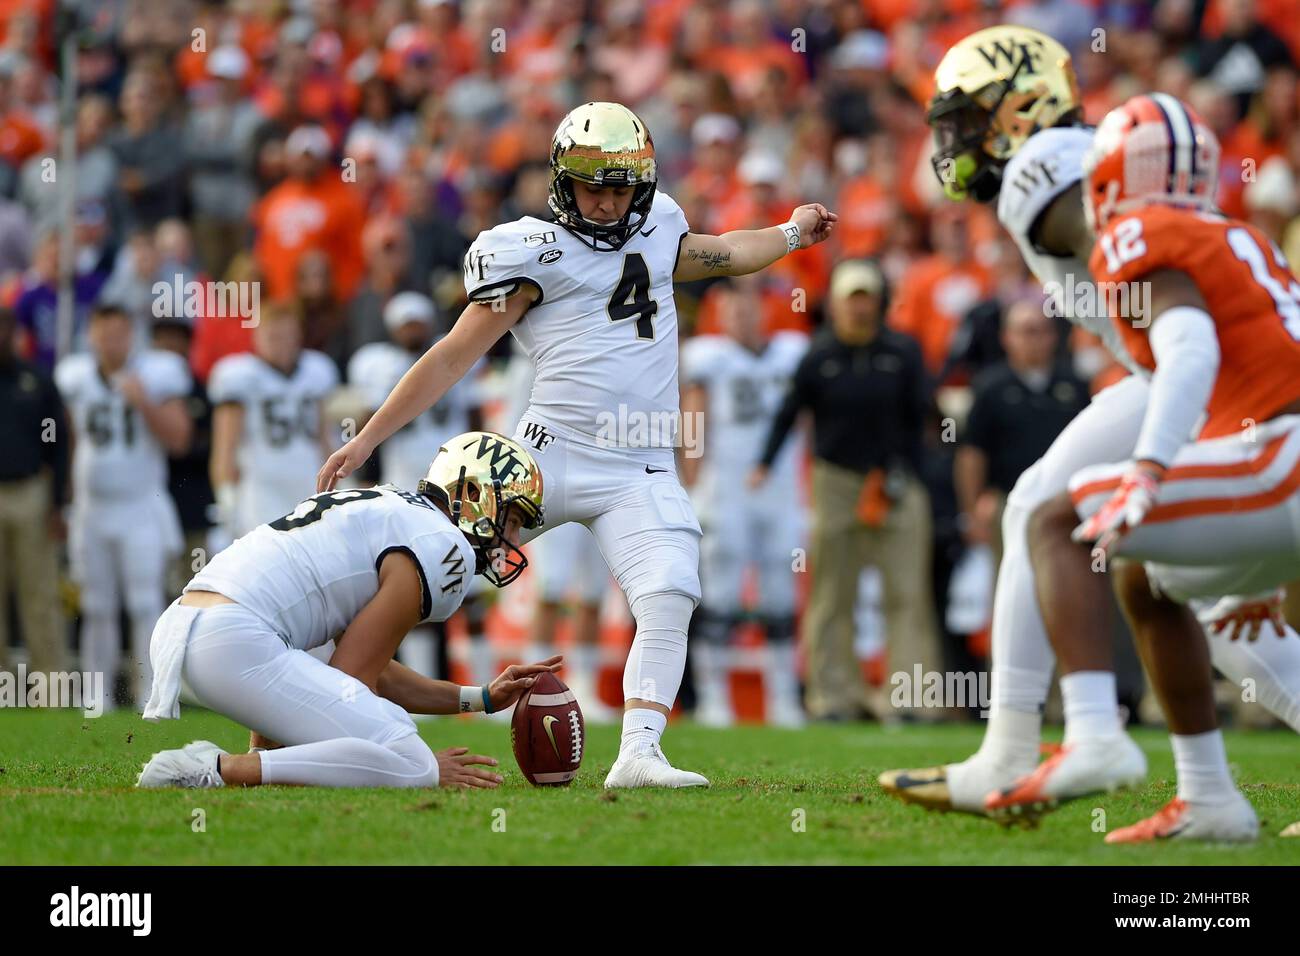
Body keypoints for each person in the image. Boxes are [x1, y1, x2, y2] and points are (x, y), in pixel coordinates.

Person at [317, 101, 836, 788]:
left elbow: (727, 253)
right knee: (428, 559)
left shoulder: (659, 230)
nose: (605, 200)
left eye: (620, 186)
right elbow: (452, 356)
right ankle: (331, 692)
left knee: (671, 586)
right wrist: (369, 439)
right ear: (563, 182)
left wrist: (792, 231)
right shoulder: (534, 253)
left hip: (640, 463)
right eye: (593, 185)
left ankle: (640, 753)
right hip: (547, 453)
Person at [879, 25, 1300, 819]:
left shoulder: (1049, 165)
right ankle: (1172, 783)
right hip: (1201, 379)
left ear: (1017, 111)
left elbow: (1138, 255)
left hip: (1202, 378)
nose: (953, 142)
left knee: (1048, 510)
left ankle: (1036, 743)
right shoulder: (1077, 160)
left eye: (967, 120)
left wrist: (1152, 457)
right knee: (1188, 594)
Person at [988, 94, 1300, 842]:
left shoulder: (1138, 229)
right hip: (1274, 450)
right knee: (1147, 579)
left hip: (1282, 455)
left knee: (1056, 518)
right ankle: (1210, 800)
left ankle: (1095, 733)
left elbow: (1189, 345)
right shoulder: (1230, 232)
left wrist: (1149, 468)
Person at [136, 432, 557, 790]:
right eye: (514, 520)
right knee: (410, 758)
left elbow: (364, 667)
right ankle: (214, 770)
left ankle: (252, 760)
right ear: (473, 496)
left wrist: (479, 698)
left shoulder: (391, 505)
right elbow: (350, 678)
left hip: (189, 626)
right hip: (234, 641)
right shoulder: (446, 547)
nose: (515, 541)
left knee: (313, 657)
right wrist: (425, 768)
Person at [752, 258, 938, 721]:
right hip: (835, 480)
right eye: (850, 299)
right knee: (834, 593)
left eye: (866, 298)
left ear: (879, 302)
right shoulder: (819, 354)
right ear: (835, 304)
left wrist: (911, 473)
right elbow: (790, 411)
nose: (858, 308)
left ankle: (909, 697)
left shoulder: (903, 351)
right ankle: (833, 695)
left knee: (907, 591)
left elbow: (926, 418)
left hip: (895, 480)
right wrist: (764, 462)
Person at [681, 277, 808, 727]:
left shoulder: (792, 352)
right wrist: (690, 487)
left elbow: (806, 418)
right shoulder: (708, 357)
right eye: (733, 308)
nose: (742, 315)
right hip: (725, 489)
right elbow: (693, 424)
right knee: (720, 598)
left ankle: (784, 699)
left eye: (750, 306)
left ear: (766, 310)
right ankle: (715, 699)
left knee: (780, 595)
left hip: (780, 491)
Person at [56, 303, 192, 708]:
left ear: (132, 336)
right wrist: (62, 501)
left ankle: (151, 694)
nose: (111, 342)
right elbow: (66, 443)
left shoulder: (157, 373)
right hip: (92, 508)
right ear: (92, 336)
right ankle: (97, 699)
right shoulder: (74, 376)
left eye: (119, 333)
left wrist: (144, 403)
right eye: (104, 334)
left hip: (140, 506)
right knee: (96, 605)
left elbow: (180, 438)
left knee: (144, 602)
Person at [209, 302, 338, 540]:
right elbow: (225, 446)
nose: (282, 343)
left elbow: (324, 435)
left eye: (288, 335)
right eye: (274, 336)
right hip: (262, 486)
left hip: (308, 479)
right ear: (257, 337)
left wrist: (338, 481)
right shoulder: (239, 375)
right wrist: (226, 495)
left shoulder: (316, 370)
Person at [0, 305, 68, 676]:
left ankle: (52, 685)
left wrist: (56, 502)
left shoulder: (36, 381)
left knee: (39, 594)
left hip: (29, 492)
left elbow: (57, 444)